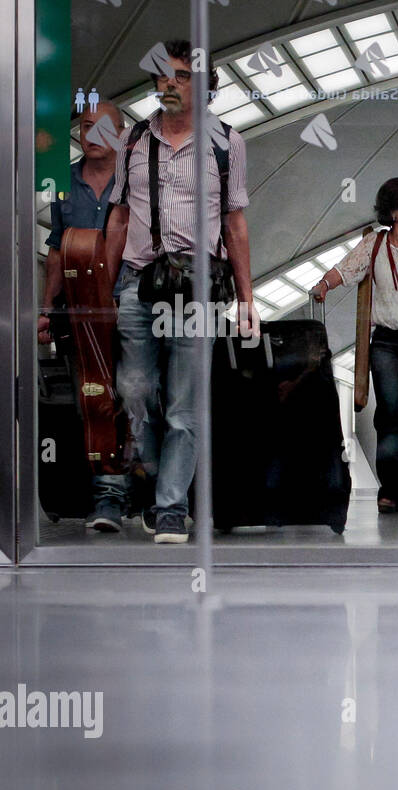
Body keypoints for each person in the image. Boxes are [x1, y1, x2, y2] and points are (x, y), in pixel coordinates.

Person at [104, 40, 257, 543]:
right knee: (135, 392)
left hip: (197, 288)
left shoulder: (226, 142)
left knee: (185, 406)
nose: (169, 83)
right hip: (137, 280)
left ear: (205, 86)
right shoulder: (131, 140)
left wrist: (247, 297)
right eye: (162, 76)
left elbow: (235, 223)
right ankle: (153, 489)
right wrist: (105, 290)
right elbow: (120, 216)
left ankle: (170, 506)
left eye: (181, 76)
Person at [312, 177, 398, 515]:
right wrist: (323, 285)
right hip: (387, 342)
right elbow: (346, 269)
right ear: (393, 211)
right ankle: (391, 487)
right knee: (391, 413)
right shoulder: (375, 245)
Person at [39, 100, 128, 532]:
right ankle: (105, 497)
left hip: (130, 307)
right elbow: (57, 250)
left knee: (135, 395)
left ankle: (136, 489)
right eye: (87, 126)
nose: (92, 134)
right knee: (91, 401)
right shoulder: (64, 183)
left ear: (121, 131)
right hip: (77, 311)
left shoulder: (138, 179)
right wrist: (45, 308)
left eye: (103, 127)